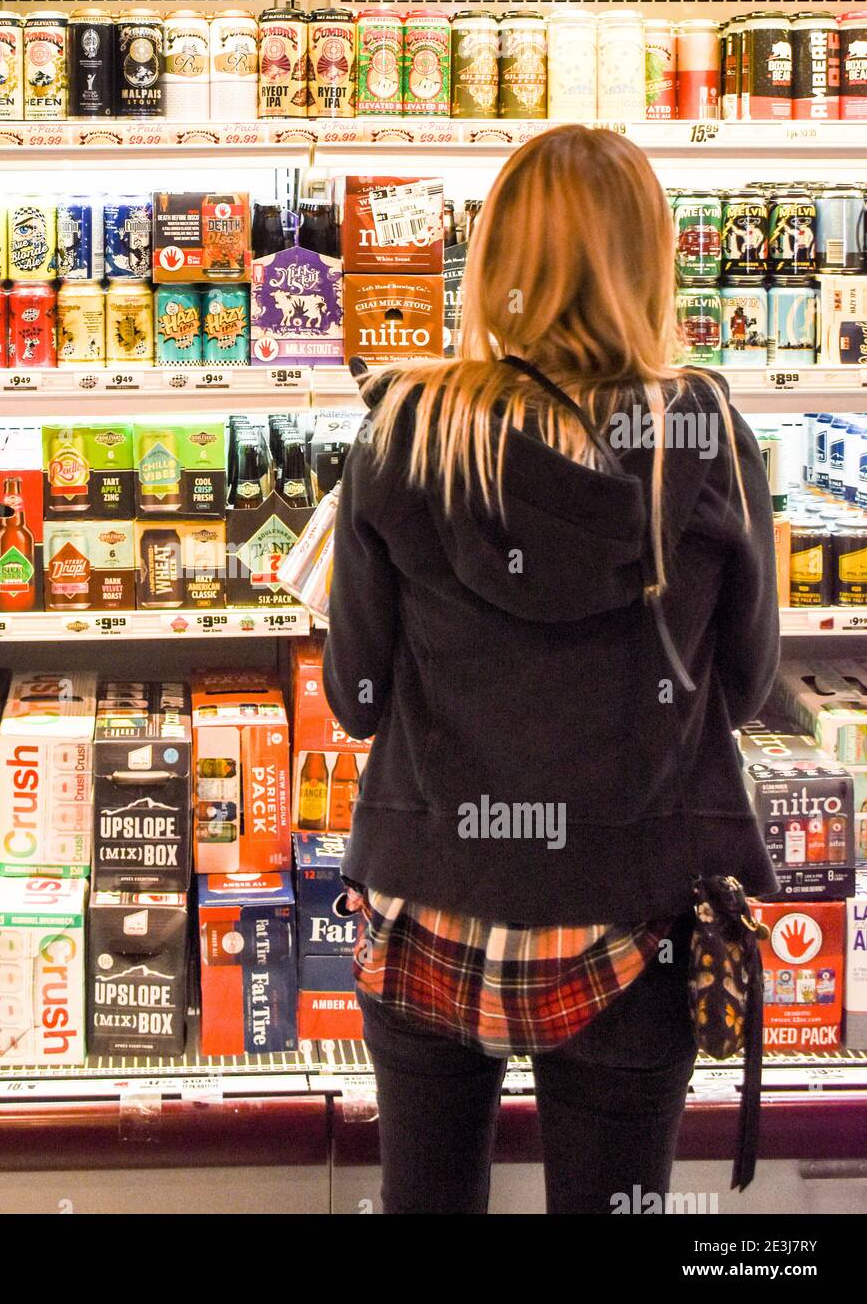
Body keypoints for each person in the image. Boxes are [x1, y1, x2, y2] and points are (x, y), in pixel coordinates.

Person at [323, 124, 779, 1215]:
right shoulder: (702, 432)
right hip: (626, 923)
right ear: (649, 258)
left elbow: (355, 696)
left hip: (427, 907)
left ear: (491, 260)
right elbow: (750, 686)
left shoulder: (407, 426)